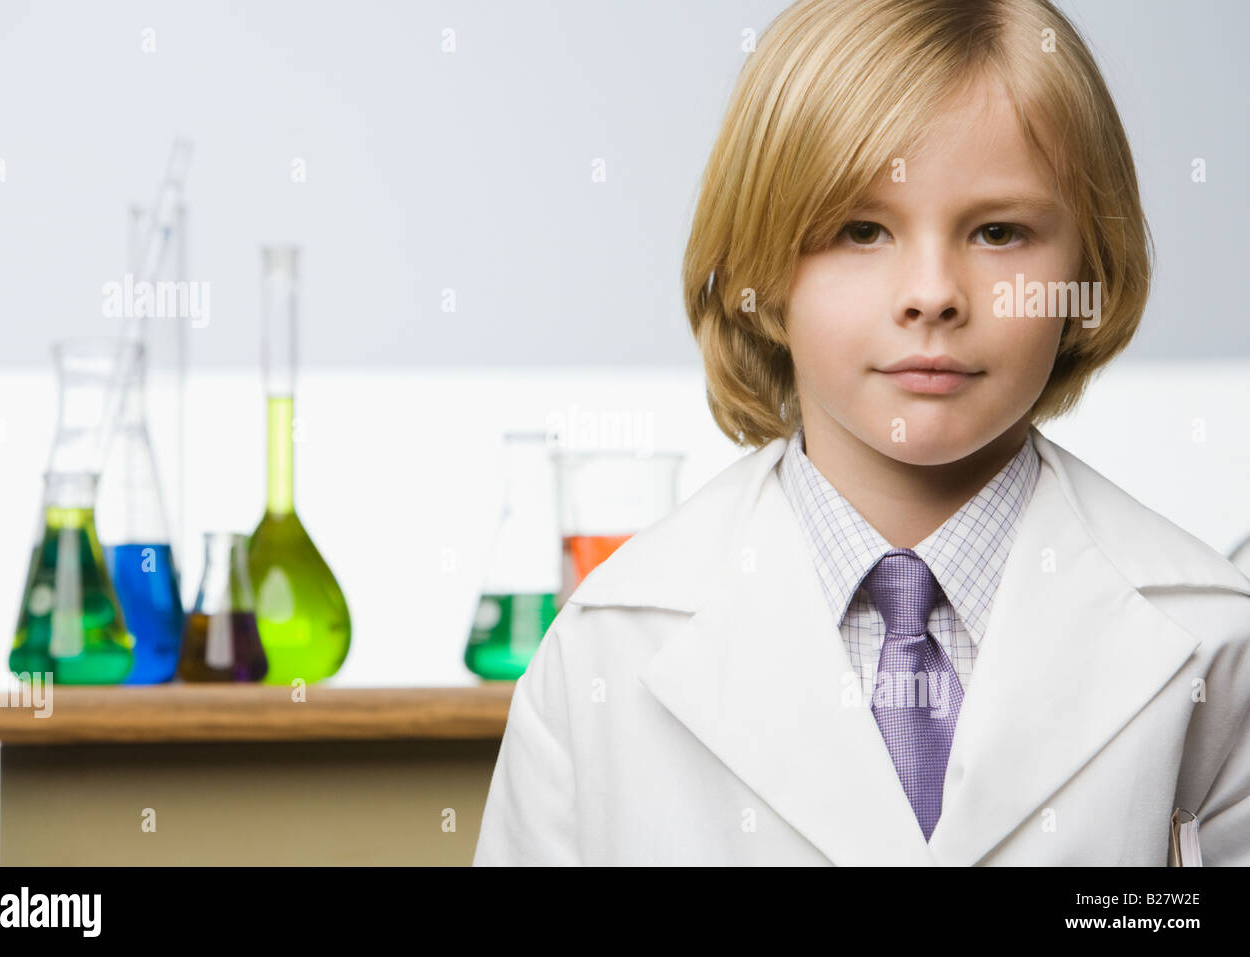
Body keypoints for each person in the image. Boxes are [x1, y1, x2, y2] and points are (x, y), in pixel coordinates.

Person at [472, 0, 1250, 865]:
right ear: (759, 268)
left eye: (999, 232)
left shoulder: (1212, 643)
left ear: (1089, 269)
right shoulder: (605, 644)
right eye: (860, 230)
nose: (932, 293)